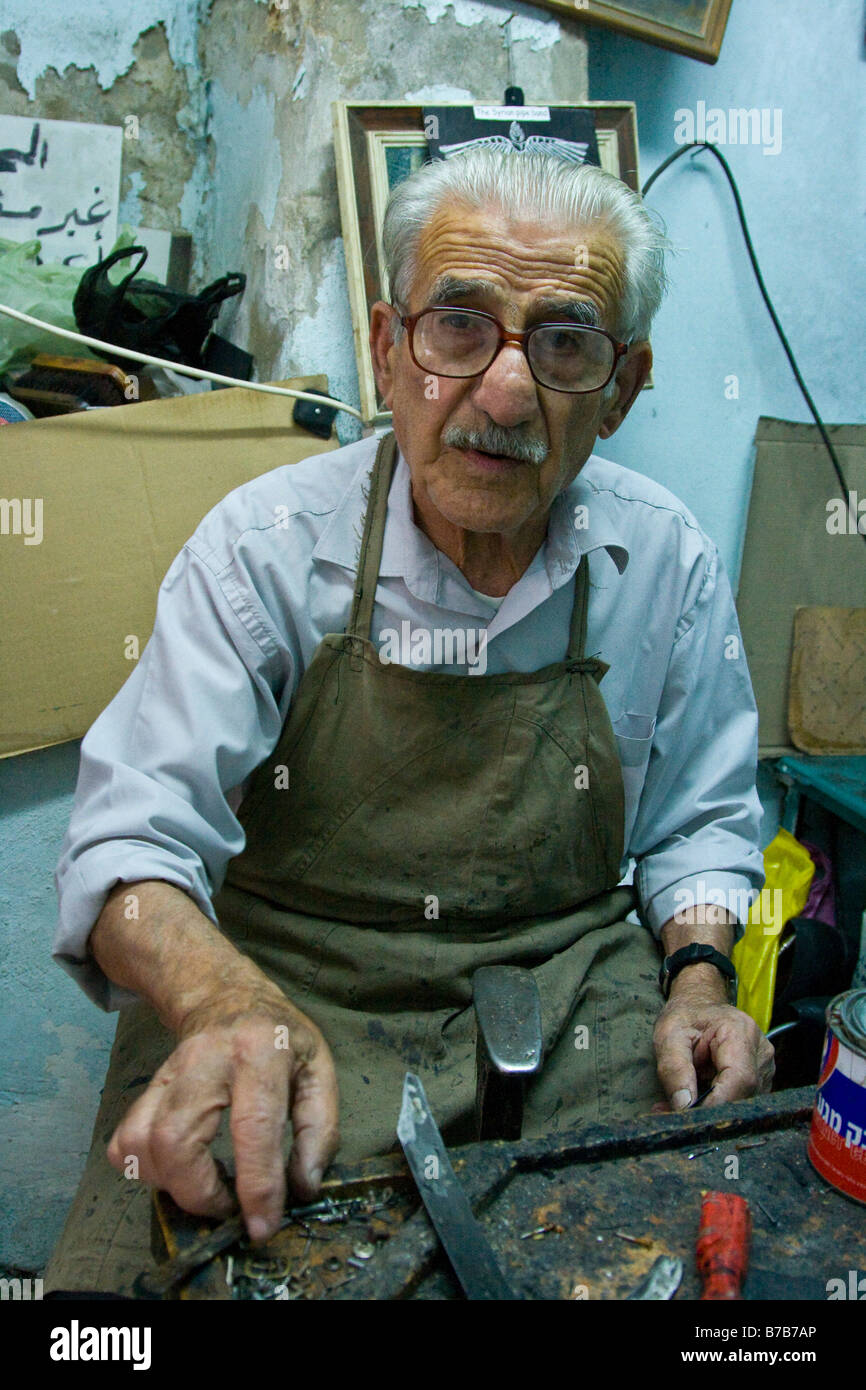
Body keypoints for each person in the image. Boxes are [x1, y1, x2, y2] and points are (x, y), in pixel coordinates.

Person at [45, 148, 773, 1296]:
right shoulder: (265, 548)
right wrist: (222, 1005)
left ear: (622, 387)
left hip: (568, 996)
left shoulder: (662, 560)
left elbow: (700, 822)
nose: (503, 391)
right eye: (456, 327)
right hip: (283, 995)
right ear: (388, 350)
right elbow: (128, 845)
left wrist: (695, 981)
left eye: (564, 342)